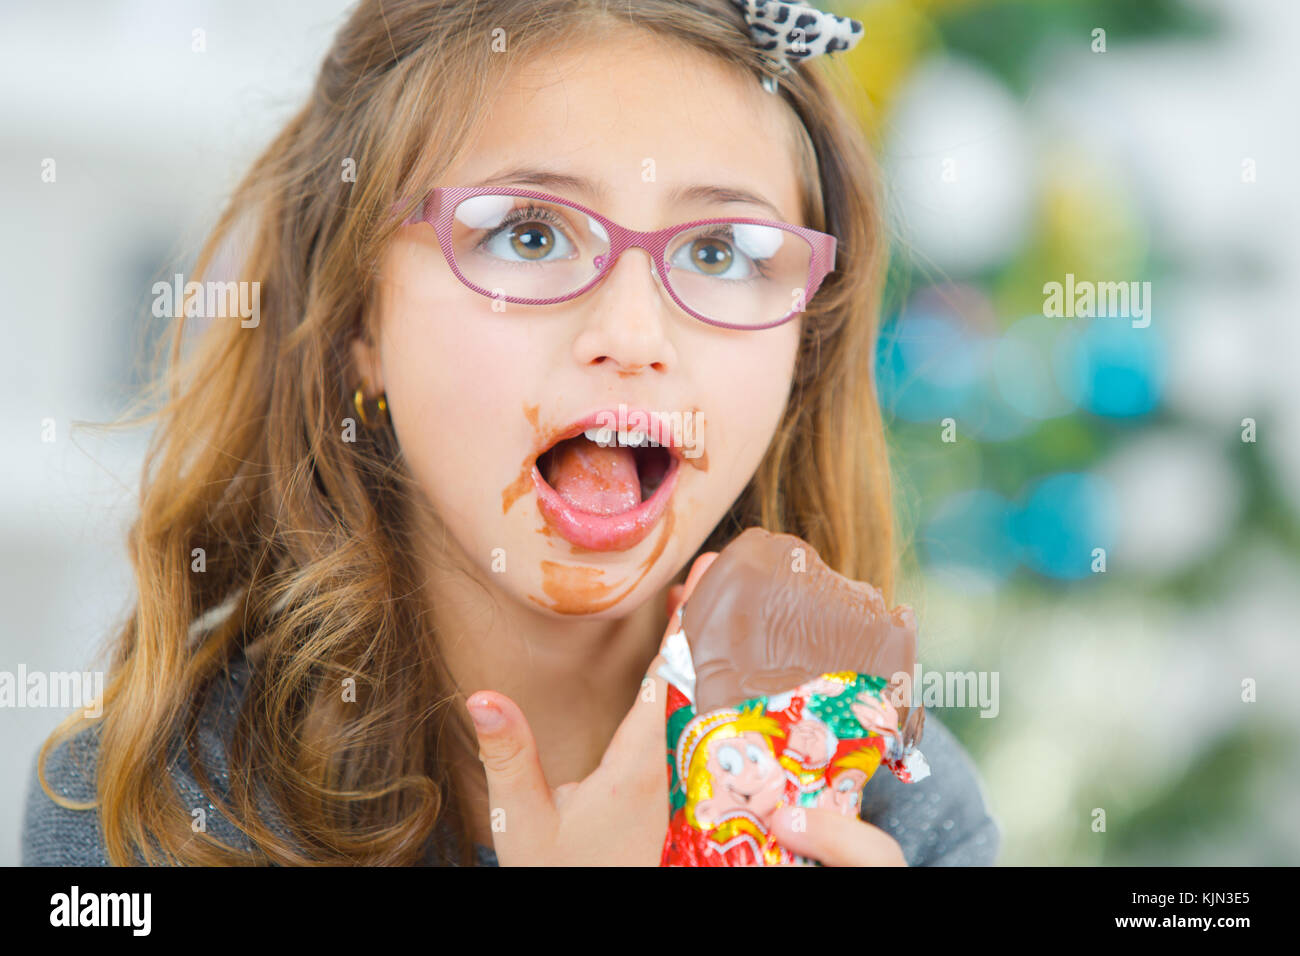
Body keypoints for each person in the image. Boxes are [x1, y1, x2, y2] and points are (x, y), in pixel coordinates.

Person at [22, 0, 1001, 867]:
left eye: (719, 251)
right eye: (528, 234)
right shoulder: (158, 806)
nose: (633, 336)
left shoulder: (897, 810)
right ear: (361, 317)